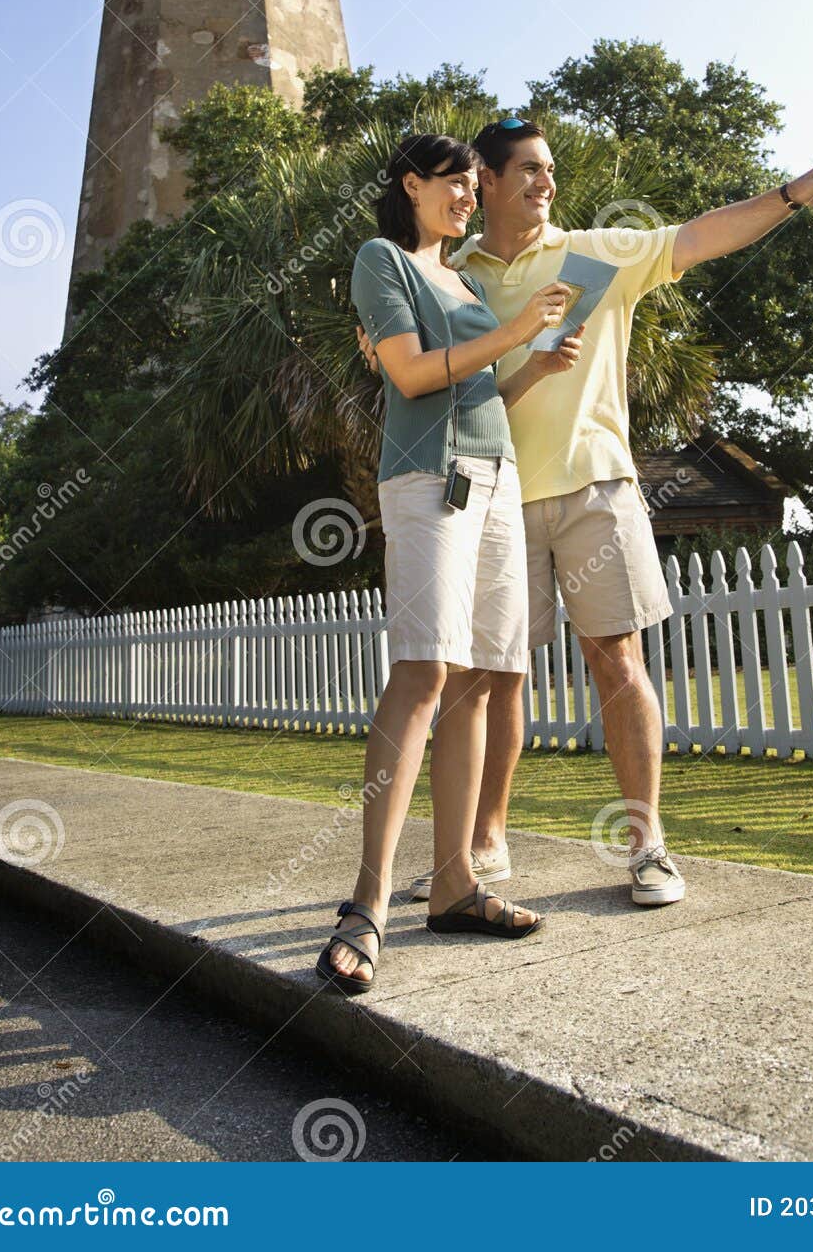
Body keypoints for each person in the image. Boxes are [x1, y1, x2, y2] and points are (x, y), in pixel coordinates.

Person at [363, 118, 813, 908]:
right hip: (490, 496)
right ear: (484, 180)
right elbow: (422, 376)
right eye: (525, 169)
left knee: (616, 660)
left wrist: (790, 195)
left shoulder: (599, 252)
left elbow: (701, 236)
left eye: (549, 170)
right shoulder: (447, 272)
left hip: (596, 485)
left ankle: (646, 845)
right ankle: (484, 847)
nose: (544, 182)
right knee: (490, 681)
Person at [317, 133, 584, 994]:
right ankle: (365, 906)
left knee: (479, 677)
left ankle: (457, 886)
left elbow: (472, 389)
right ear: (410, 185)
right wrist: (512, 329)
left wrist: (530, 367)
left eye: (474, 184)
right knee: (426, 670)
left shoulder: (464, 281)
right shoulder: (380, 260)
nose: (468, 196)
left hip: (495, 479)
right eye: (454, 183)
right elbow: (410, 374)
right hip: (427, 483)